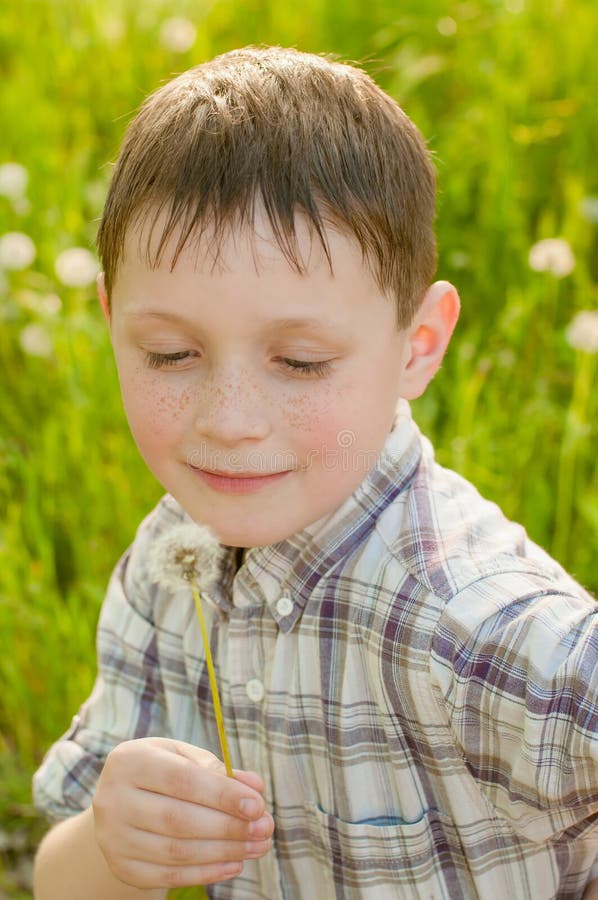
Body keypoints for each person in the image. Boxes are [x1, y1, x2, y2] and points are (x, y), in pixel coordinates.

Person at [32, 46, 597, 899]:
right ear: (112, 321)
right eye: (170, 353)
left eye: (298, 362)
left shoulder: (469, 616)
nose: (228, 419)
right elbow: (59, 880)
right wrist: (113, 845)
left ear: (419, 346)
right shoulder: (170, 565)